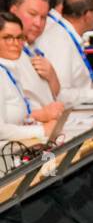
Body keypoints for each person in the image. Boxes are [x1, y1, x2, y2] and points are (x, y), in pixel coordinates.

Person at [36, 0, 93, 107]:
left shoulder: (65, 35)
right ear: (87, 15)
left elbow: (81, 84)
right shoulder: (59, 42)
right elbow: (61, 95)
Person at [0, 9, 60, 141]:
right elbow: (1, 131)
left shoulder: (9, 70)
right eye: (7, 38)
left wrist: (39, 119)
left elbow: (15, 118)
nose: (15, 44)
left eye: (19, 38)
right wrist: (42, 130)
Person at [8, 0, 61, 104]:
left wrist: (53, 78)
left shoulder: (34, 49)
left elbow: (52, 99)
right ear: (13, 12)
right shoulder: (5, 52)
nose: (38, 23)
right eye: (32, 14)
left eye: (43, 17)